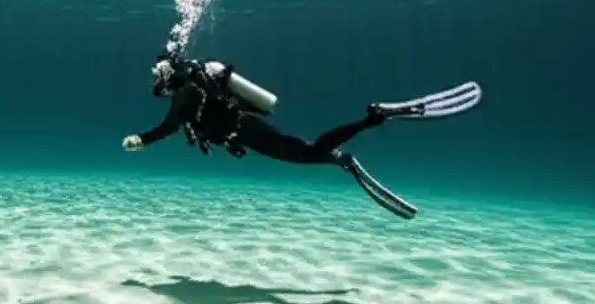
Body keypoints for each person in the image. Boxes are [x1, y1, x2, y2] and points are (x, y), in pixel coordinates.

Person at [122, 53, 482, 218]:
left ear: (168, 78)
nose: (159, 87)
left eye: (158, 80)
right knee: (304, 153)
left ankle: (371, 121)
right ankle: (343, 154)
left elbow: (168, 127)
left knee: (304, 153)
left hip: (245, 130)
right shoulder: (193, 86)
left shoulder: (185, 95)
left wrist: (140, 139)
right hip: (244, 129)